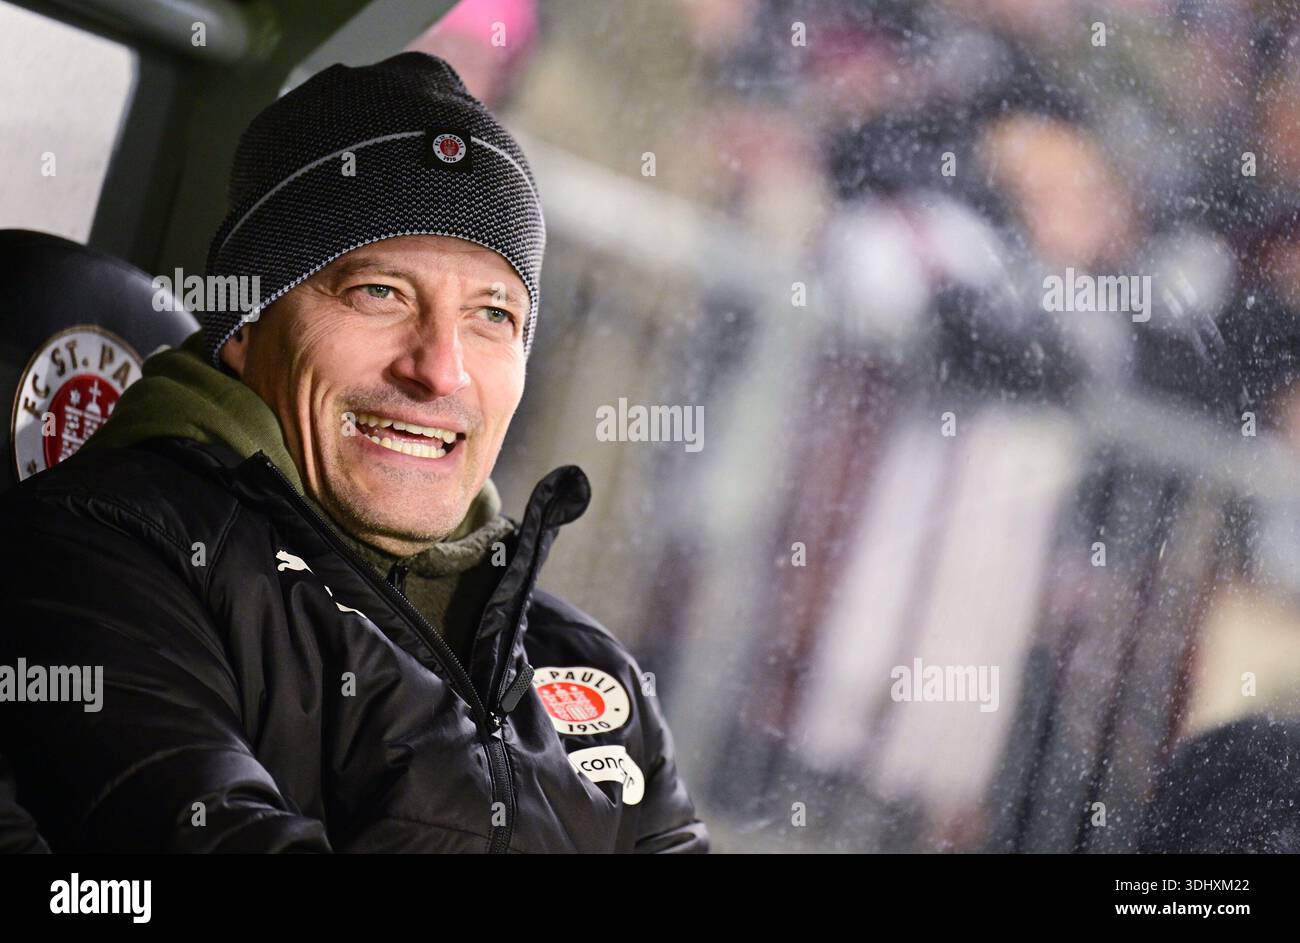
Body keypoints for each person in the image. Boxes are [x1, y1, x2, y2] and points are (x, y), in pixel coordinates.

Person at [0, 52, 708, 854]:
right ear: (247, 327)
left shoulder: (587, 666)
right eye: (380, 293)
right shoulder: (108, 554)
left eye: (493, 315)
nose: (440, 367)